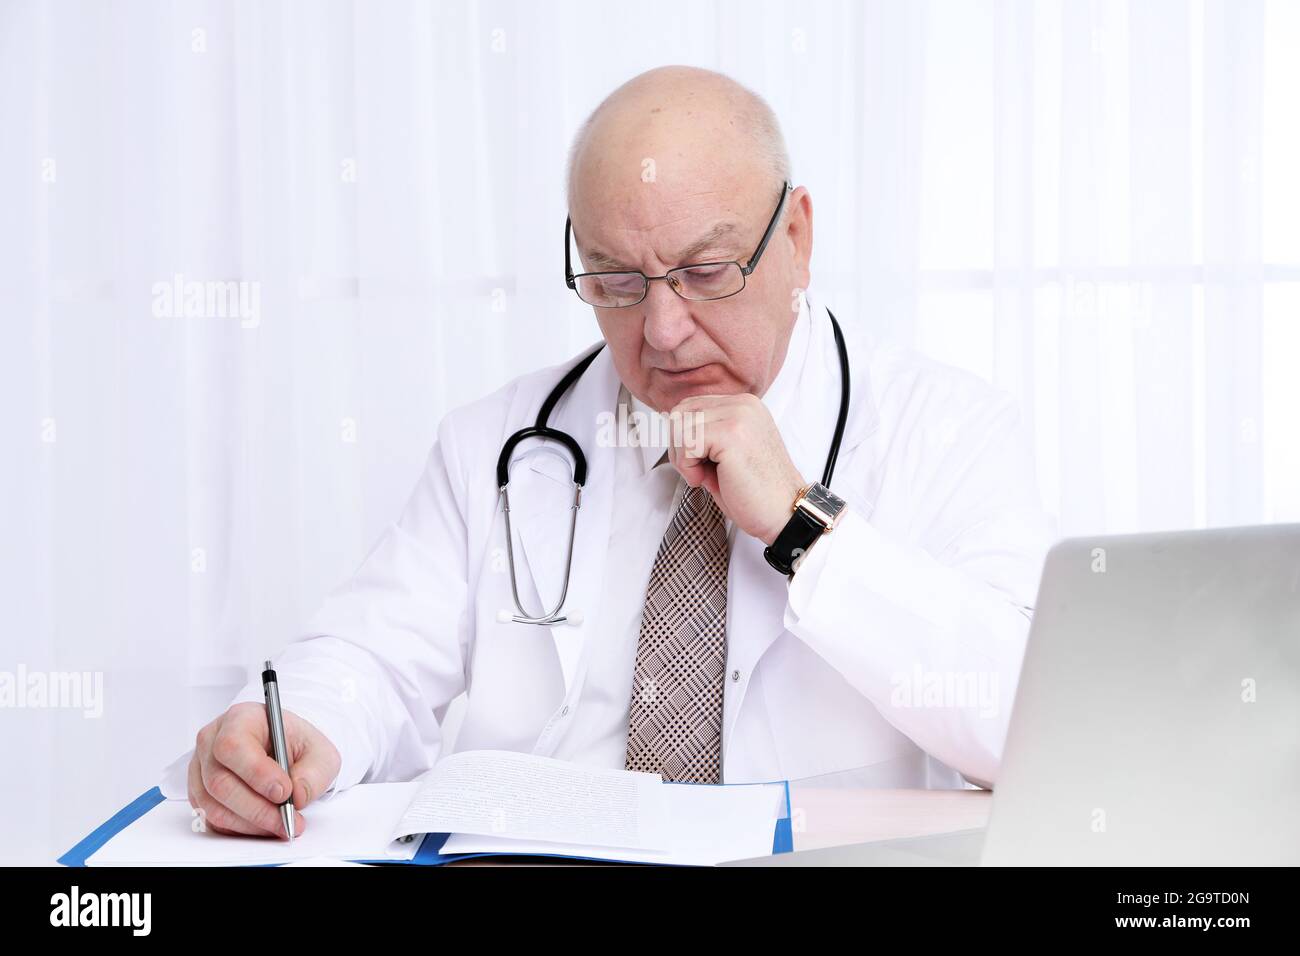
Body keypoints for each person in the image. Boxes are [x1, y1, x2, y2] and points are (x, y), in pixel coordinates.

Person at [181, 65, 1053, 839]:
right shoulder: (499, 441)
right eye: (617, 281)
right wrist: (295, 726)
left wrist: (803, 525)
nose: (664, 332)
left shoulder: (947, 432)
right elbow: (370, 660)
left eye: (707, 273)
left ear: (796, 238)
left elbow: (1032, 726)